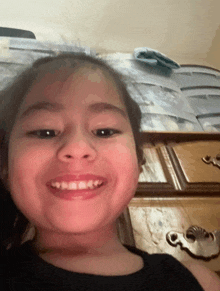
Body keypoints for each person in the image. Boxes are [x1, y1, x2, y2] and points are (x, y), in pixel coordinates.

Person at [0, 52, 219, 291]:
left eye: (104, 131)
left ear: (138, 159)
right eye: (45, 132)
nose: (77, 148)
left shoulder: (201, 282)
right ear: (5, 168)